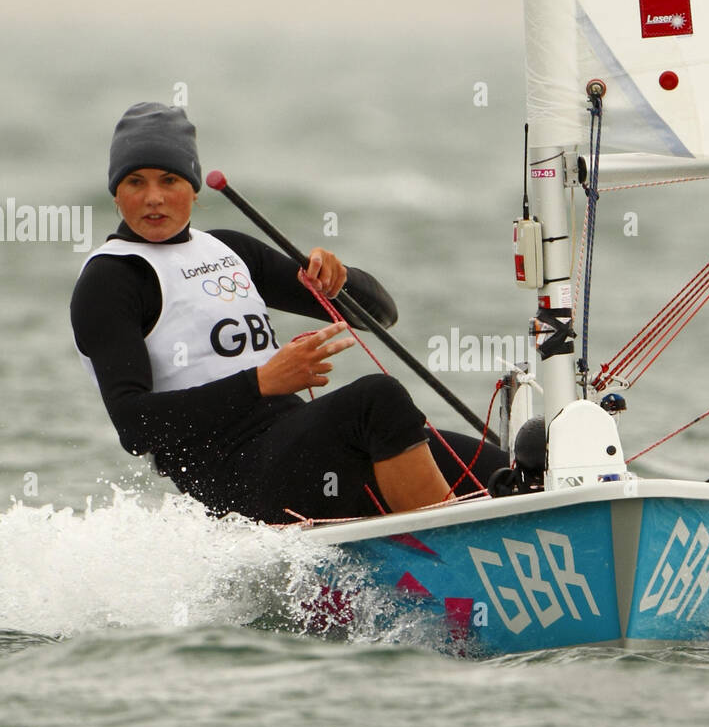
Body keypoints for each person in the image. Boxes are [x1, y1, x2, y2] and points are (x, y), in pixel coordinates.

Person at [71, 102, 506, 524]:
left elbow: (379, 314)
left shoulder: (229, 250)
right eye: (135, 182)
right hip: (231, 479)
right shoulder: (111, 280)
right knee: (377, 400)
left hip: (298, 448)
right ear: (115, 192)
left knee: (509, 471)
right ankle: (449, 562)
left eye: (169, 180)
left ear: (194, 187)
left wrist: (341, 279)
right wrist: (260, 383)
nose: (153, 198)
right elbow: (134, 425)